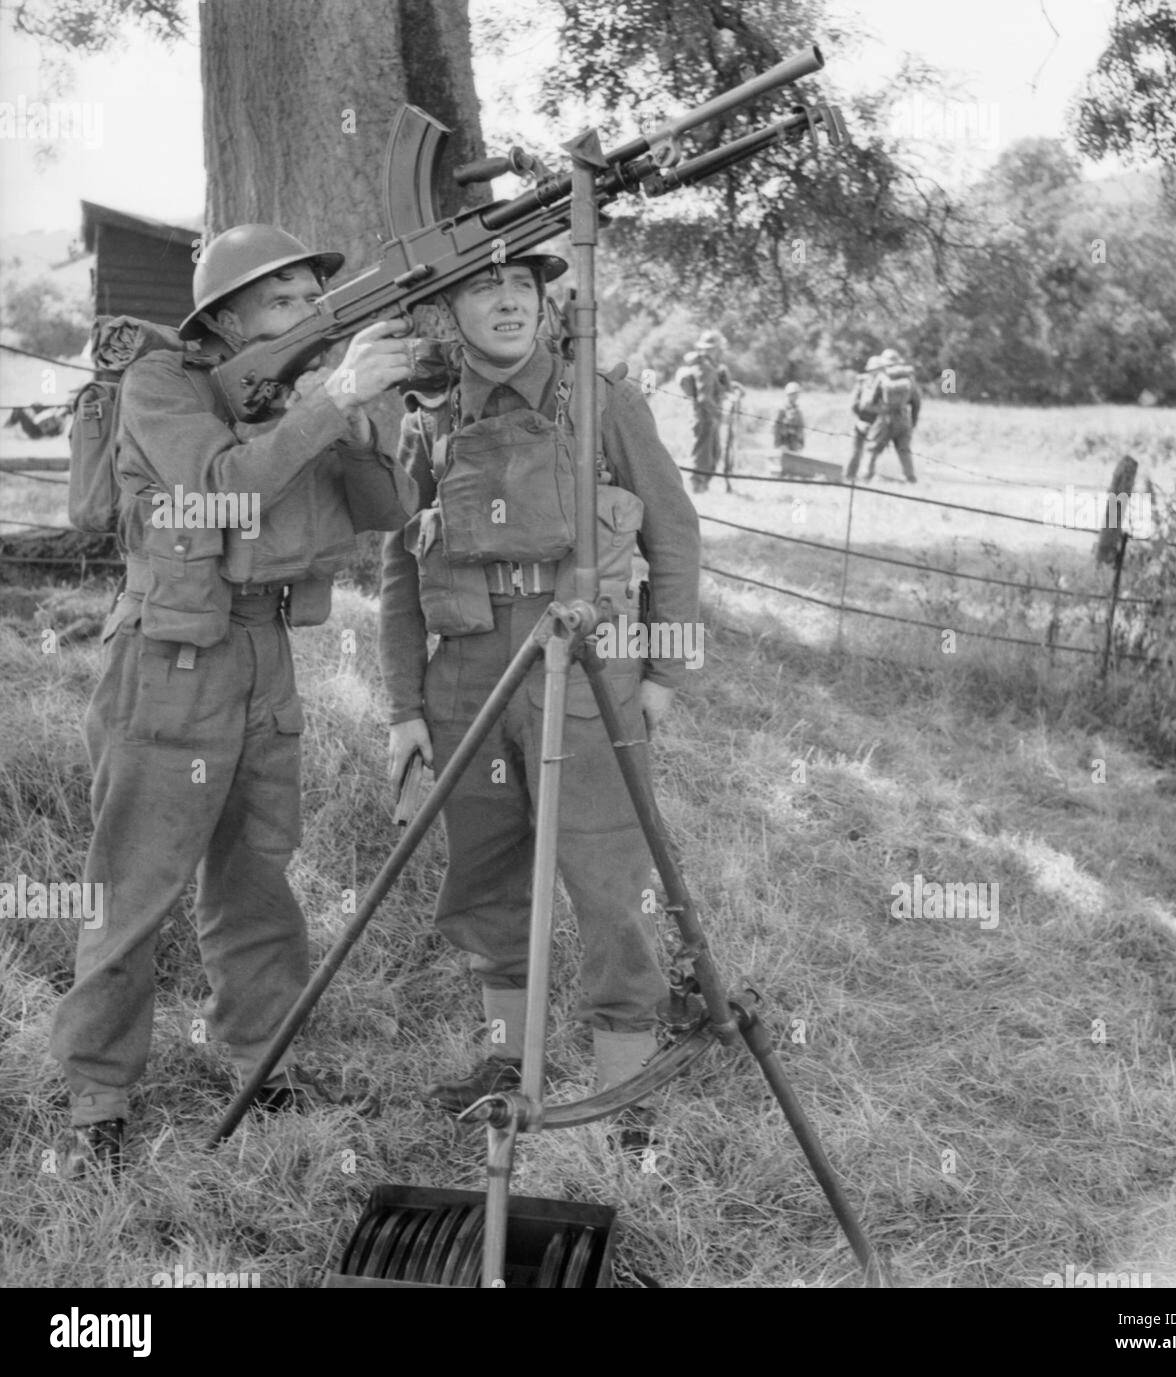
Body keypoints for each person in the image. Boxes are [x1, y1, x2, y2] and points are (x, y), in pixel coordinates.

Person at [50, 225, 419, 1174]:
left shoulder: (297, 395)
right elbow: (221, 489)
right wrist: (328, 397)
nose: (311, 316)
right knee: (136, 883)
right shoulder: (162, 386)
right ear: (229, 317)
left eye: (312, 299)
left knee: (258, 877)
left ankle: (259, 1062)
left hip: (264, 651)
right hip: (169, 658)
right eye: (289, 302)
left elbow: (388, 512)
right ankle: (98, 1097)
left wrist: (364, 412)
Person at [379, 252, 700, 1147]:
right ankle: (503, 1065)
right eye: (485, 287)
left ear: (545, 301)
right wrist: (404, 705)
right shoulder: (429, 418)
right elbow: (401, 574)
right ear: (452, 306)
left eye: (523, 286)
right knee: (485, 878)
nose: (509, 302)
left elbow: (675, 535)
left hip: (588, 673)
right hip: (469, 675)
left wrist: (665, 673)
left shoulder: (603, 402)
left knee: (609, 884)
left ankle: (620, 1100)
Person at [676, 329, 732, 493]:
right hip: (705, 417)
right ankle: (698, 488)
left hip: (708, 417)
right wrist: (719, 414)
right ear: (715, 348)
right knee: (704, 455)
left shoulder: (709, 366)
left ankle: (702, 487)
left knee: (713, 454)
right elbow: (704, 398)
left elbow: (714, 390)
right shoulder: (704, 367)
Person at [860, 347, 922, 484]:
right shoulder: (909, 378)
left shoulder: (881, 376)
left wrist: (880, 409)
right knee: (904, 451)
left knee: (872, 449)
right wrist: (913, 422)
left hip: (885, 419)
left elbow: (868, 403)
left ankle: (865, 476)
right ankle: (910, 478)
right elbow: (916, 402)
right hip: (904, 419)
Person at [845, 355, 882, 482]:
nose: (876, 372)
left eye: (879, 369)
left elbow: (886, 408)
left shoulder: (885, 385)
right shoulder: (862, 383)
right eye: (874, 369)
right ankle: (849, 476)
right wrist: (859, 420)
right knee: (856, 451)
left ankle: (867, 478)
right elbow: (853, 405)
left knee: (872, 453)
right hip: (860, 422)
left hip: (877, 424)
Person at [772, 381, 805, 452]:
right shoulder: (781, 409)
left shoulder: (798, 411)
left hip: (795, 445)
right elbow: (775, 427)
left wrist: (801, 443)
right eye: (793, 394)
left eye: (797, 394)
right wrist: (778, 444)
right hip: (784, 444)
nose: (796, 396)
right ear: (788, 395)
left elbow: (801, 428)